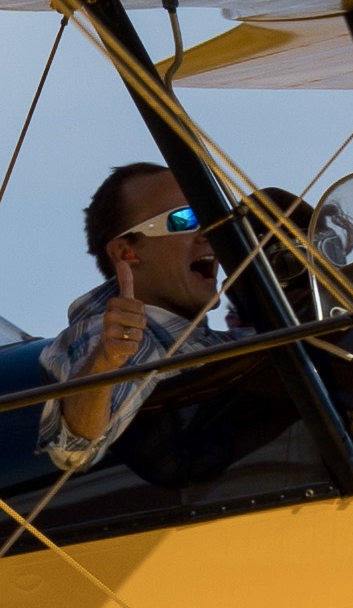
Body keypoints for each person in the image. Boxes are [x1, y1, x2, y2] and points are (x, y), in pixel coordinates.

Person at [39, 164, 230, 473]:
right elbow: (73, 449)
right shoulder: (117, 338)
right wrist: (105, 360)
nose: (207, 232)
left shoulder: (217, 340)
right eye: (184, 219)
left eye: (207, 216)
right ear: (126, 253)